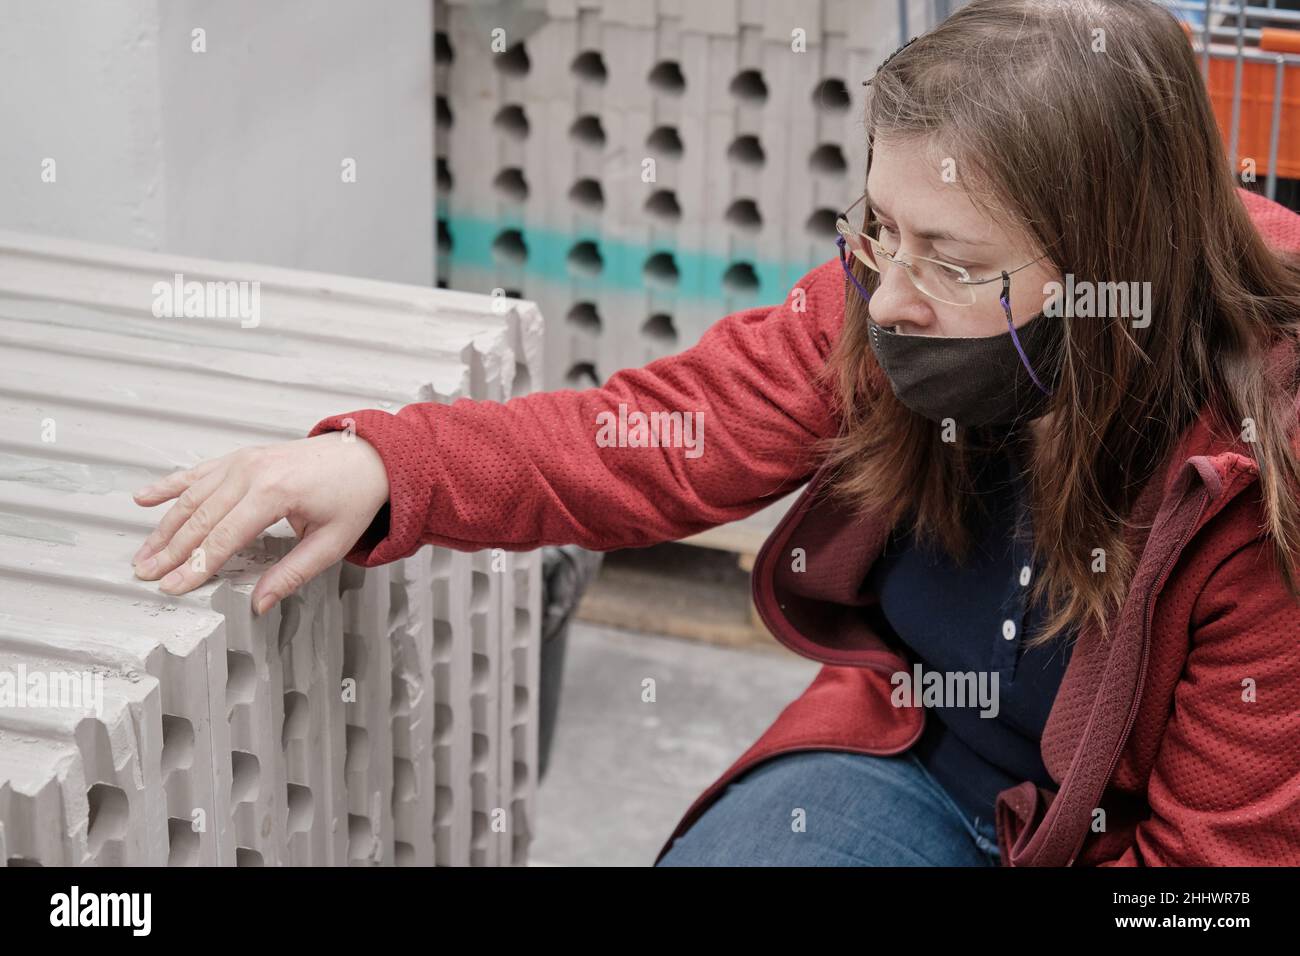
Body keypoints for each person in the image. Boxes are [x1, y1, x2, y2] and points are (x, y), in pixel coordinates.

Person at [130, 0, 1300, 866]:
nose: (886, 294)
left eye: (951, 260)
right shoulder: (891, 302)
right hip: (917, 755)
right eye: (878, 228)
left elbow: (1215, 874)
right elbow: (652, 434)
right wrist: (386, 461)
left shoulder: (1259, 475)